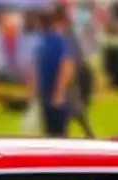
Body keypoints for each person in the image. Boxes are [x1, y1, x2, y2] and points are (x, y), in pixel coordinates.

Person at [35, 7, 77, 137]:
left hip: (55, 94)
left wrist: (59, 91)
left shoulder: (58, 40)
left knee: (58, 133)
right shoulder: (48, 39)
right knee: (51, 132)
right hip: (47, 92)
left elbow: (67, 65)